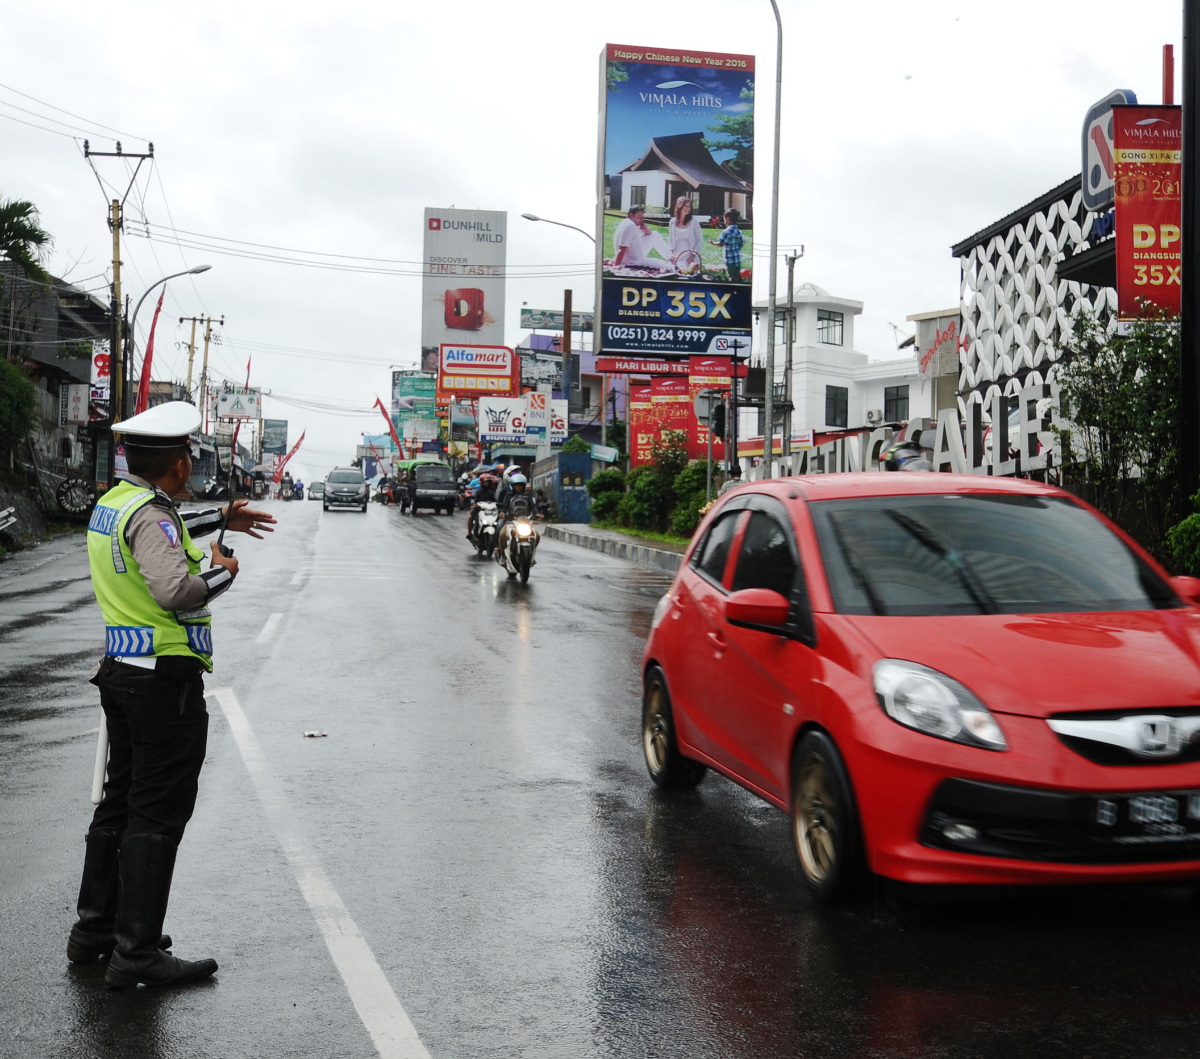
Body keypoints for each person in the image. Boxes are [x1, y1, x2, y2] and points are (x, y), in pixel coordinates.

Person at [68, 401, 276, 989]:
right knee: (157, 811)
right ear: (181, 464)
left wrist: (222, 516)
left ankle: (96, 931)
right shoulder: (152, 516)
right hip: (162, 682)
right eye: (186, 454)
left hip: (123, 672)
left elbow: (160, 530)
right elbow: (174, 589)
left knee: (120, 801)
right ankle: (136, 953)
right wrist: (223, 571)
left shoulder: (116, 503)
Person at [495, 472, 542, 557]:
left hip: (525, 521)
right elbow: (504, 506)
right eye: (516, 485)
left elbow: (532, 506)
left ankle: (531, 552)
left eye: (520, 485)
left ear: (523, 486)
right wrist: (502, 512)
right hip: (511, 520)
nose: (519, 487)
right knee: (502, 534)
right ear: (513, 486)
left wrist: (537, 514)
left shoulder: (527, 496)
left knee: (537, 536)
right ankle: (501, 551)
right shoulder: (509, 495)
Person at [612, 205, 670, 269]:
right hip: (631, 262)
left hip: (633, 256)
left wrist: (645, 229)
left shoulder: (628, 223)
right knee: (664, 265)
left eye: (642, 217)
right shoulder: (630, 226)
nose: (641, 219)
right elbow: (622, 248)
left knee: (655, 234)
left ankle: (671, 258)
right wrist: (616, 266)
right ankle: (672, 260)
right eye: (639, 216)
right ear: (631, 215)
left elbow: (649, 234)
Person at [709, 208, 745, 283]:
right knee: (737, 275)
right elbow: (741, 244)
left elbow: (721, 243)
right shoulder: (738, 231)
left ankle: (731, 286)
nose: (724, 221)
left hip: (730, 260)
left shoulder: (726, 232)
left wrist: (712, 243)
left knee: (731, 275)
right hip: (737, 260)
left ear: (728, 219)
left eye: (724, 219)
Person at [668, 196, 703, 270]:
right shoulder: (672, 222)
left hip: (690, 256)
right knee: (670, 269)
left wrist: (692, 256)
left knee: (687, 271)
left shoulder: (694, 222)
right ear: (679, 206)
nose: (688, 208)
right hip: (676, 255)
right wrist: (672, 254)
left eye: (689, 206)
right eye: (685, 206)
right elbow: (670, 240)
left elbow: (699, 240)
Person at [466, 473, 497, 540]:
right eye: (485, 482)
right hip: (480, 510)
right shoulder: (478, 491)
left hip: (490, 510)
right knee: (476, 519)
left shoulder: (492, 492)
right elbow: (473, 500)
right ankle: (474, 534)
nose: (487, 483)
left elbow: (496, 500)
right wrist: (474, 504)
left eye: (488, 482)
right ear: (482, 482)